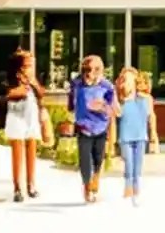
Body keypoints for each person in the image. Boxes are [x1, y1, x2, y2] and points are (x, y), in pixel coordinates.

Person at [68, 55, 117, 203]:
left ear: (101, 70)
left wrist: (102, 107)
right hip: (83, 127)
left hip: (100, 127)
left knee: (98, 158)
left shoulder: (107, 87)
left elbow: (114, 110)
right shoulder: (77, 84)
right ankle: (87, 186)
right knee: (84, 159)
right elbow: (71, 105)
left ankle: (96, 179)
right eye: (87, 69)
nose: (90, 73)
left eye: (95, 69)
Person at [0, 50, 46, 203]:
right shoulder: (10, 77)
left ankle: (31, 185)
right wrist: (18, 90)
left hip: (31, 115)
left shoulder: (33, 78)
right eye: (28, 64)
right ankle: (17, 187)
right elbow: (7, 94)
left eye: (32, 64)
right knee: (17, 151)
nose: (31, 67)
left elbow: (41, 93)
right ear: (20, 66)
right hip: (16, 115)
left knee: (32, 148)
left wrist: (34, 83)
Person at [115, 68, 159, 206]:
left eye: (129, 79)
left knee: (138, 166)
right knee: (129, 163)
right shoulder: (120, 100)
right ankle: (128, 188)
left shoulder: (146, 99)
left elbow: (151, 116)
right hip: (125, 137)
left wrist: (153, 135)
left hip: (140, 136)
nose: (127, 83)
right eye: (125, 80)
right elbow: (116, 115)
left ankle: (136, 191)